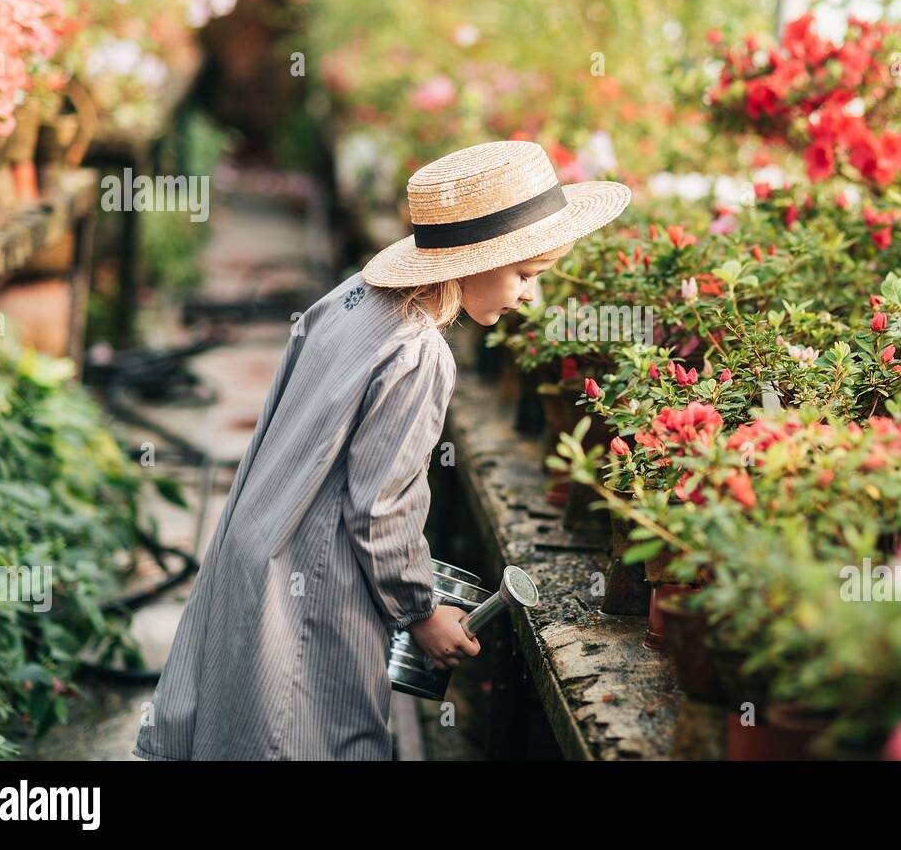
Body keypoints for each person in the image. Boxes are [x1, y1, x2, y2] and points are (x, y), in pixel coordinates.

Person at [133, 140, 631, 760]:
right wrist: (421, 610)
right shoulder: (419, 354)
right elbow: (381, 506)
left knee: (240, 730)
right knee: (303, 737)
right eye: (525, 276)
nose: (530, 297)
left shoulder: (350, 302)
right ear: (472, 260)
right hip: (315, 586)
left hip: (256, 548)